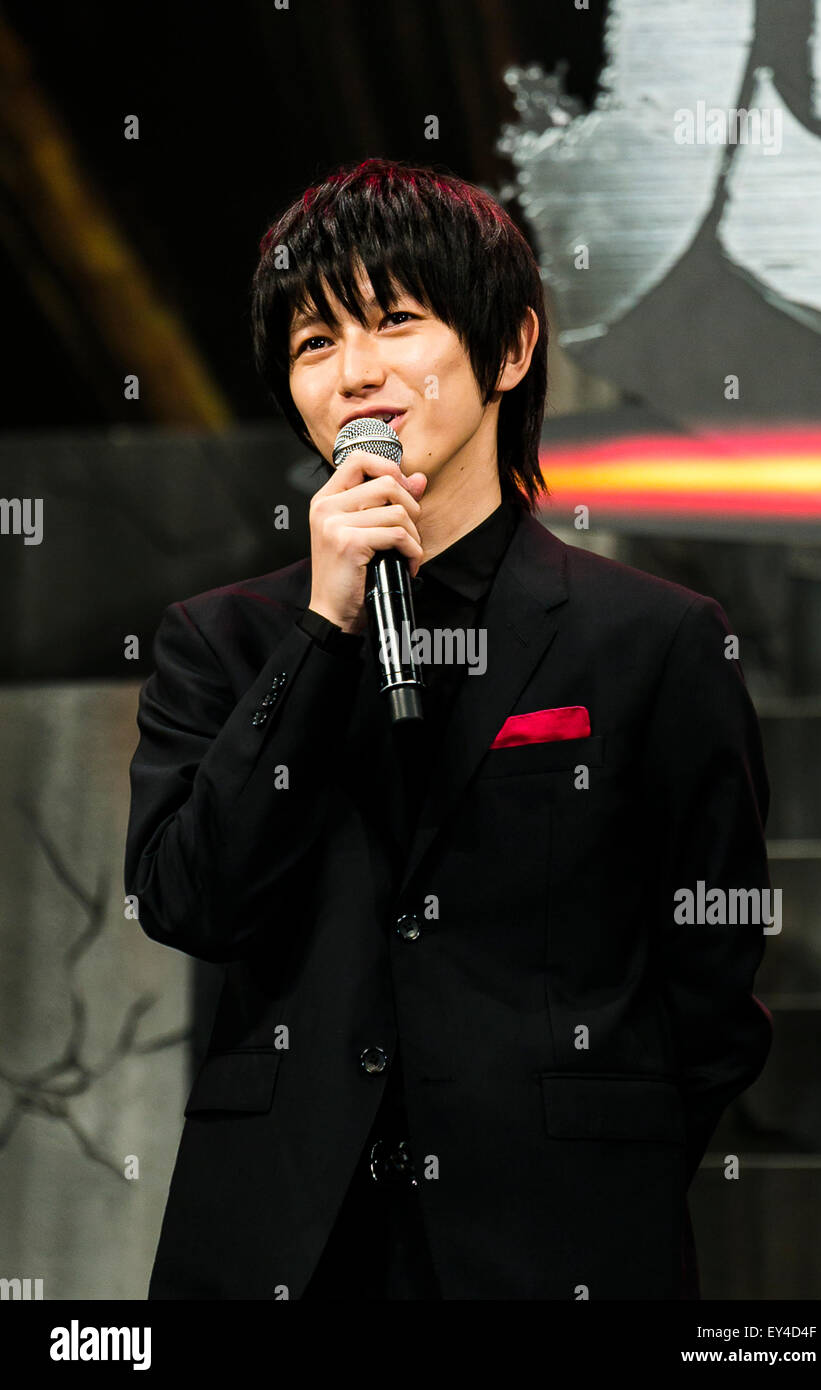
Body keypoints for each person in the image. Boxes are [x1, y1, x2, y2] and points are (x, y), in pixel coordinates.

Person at [124, 156, 773, 1300]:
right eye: (316, 341)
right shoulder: (221, 640)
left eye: (394, 322)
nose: (357, 373)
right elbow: (187, 899)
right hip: (283, 1243)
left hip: (554, 1245)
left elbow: (709, 977)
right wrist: (321, 631)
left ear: (510, 349)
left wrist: (592, 1164)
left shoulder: (652, 641)